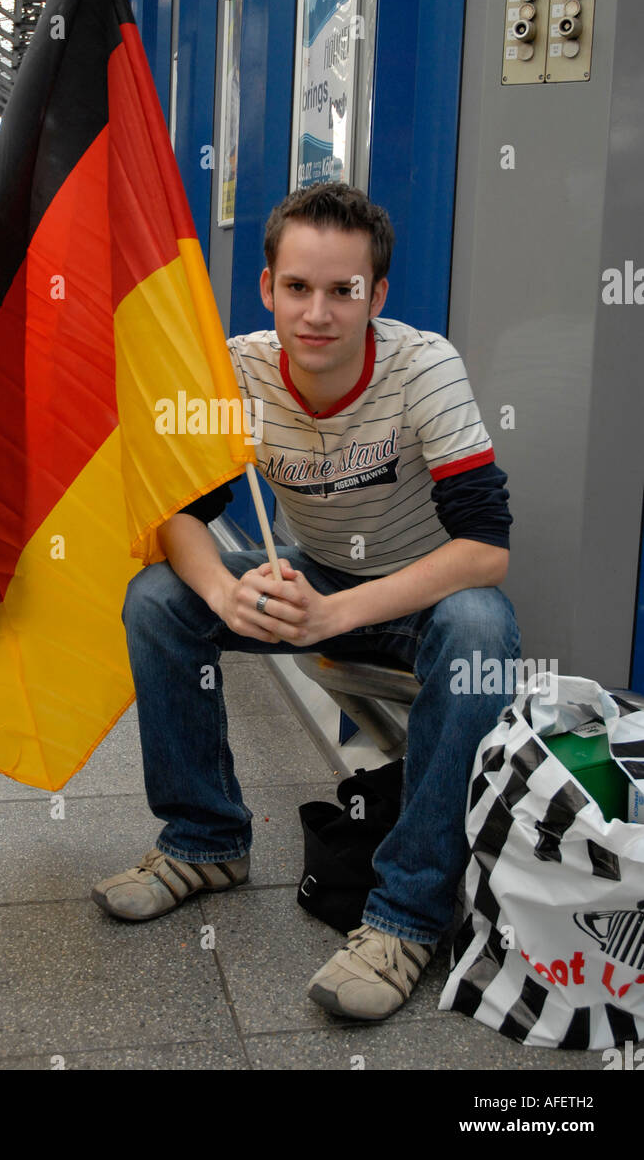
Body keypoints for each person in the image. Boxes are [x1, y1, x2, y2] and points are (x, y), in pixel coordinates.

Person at [92, 182, 522, 1023]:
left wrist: (333, 618)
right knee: (157, 600)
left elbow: (486, 552)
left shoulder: (423, 367)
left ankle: (407, 916)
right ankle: (206, 841)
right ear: (268, 288)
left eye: (342, 290)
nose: (317, 312)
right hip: (315, 567)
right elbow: (179, 513)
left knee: (479, 631)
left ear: (377, 295)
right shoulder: (238, 369)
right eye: (298, 287)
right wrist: (227, 589)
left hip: (419, 588)